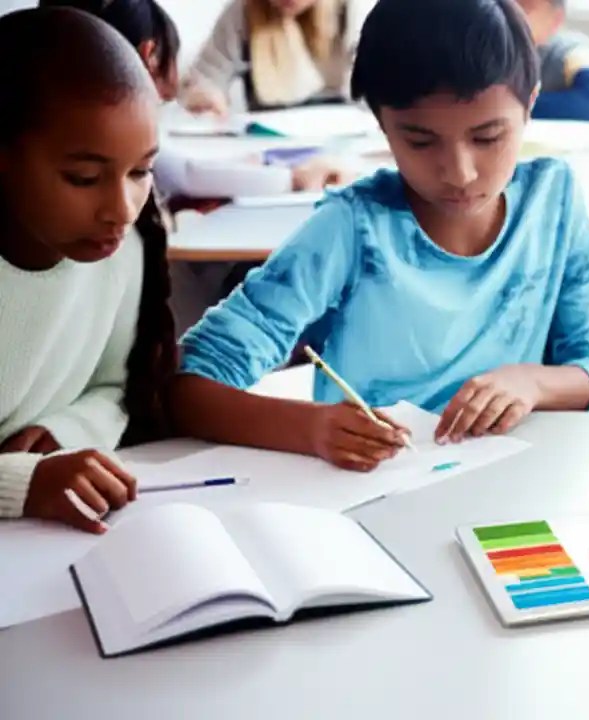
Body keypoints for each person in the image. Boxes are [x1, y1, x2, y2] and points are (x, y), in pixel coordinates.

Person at [172, 0, 589, 472]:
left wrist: (532, 383)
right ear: (382, 124)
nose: (460, 173)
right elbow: (190, 390)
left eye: (488, 138)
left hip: (503, 478)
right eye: (421, 141)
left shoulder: (553, 201)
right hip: (369, 489)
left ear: (530, 103)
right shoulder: (353, 228)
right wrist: (310, 428)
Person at [0, 7, 178, 533]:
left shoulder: (122, 249)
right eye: (83, 177)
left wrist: (69, 430)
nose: (122, 210)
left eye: (141, 171)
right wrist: (19, 483)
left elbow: (113, 387)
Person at [39, 0, 352, 199]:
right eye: (84, 178)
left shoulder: (354, 13)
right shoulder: (242, 14)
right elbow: (184, 172)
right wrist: (294, 178)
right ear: (148, 56)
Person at [182, 0, 374, 116]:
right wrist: (204, 96)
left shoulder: (354, 10)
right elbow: (202, 80)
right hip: (267, 152)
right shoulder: (243, 13)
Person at [514, 0, 589, 122]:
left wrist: (515, 106)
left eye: (523, 9)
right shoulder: (494, 48)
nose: (506, 14)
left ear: (556, 20)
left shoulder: (569, 52)